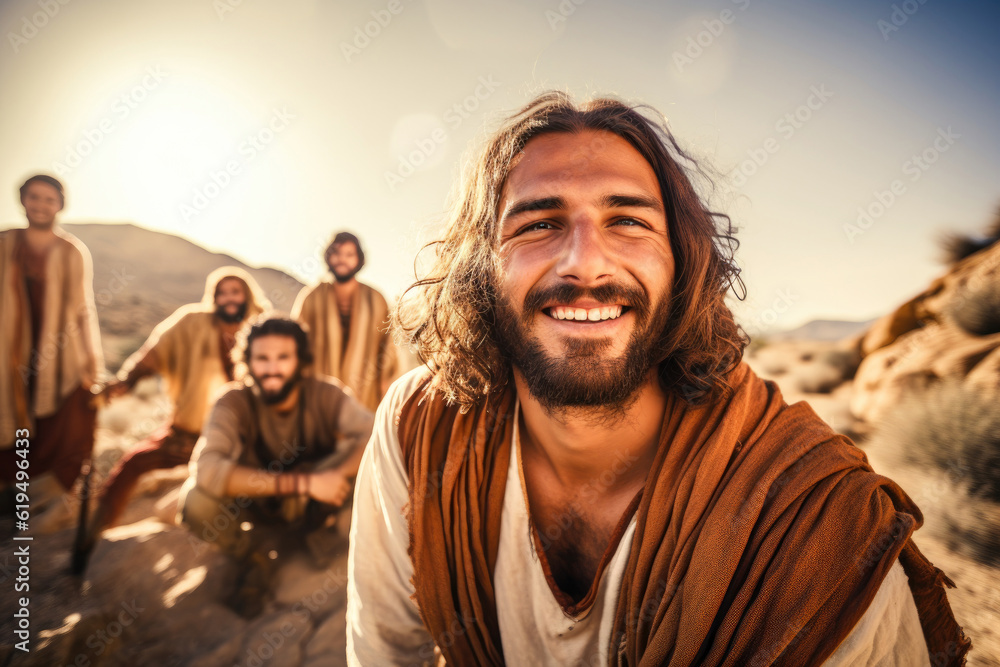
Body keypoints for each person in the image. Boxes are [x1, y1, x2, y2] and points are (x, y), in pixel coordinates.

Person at [346, 93, 970, 666]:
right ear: (479, 267)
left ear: (684, 260)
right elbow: (385, 649)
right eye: (538, 223)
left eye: (628, 221)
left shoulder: (813, 527)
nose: (585, 261)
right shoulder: (421, 426)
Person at [178, 316, 373, 611]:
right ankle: (253, 553)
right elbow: (206, 470)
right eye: (262, 358)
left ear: (301, 360)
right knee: (195, 501)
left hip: (315, 504)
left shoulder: (326, 393)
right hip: (257, 505)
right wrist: (302, 483)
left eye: (283, 358)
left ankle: (320, 538)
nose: (272, 369)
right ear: (247, 360)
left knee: (370, 469)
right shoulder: (233, 401)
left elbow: (374, 435)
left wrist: (333, 475)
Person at [89, 267, 270, 537]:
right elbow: (153, 352)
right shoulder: (191, 322)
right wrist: (126, 381)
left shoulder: (263, 329)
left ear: (247, 296)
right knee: (133, 463)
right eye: (222, 293)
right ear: (213, 297)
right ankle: (94, 535)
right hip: (185, 432)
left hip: (239, 441)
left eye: (235, 292)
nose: (229, 298)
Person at [0, 175, 103, 527]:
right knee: (11, 416)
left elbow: (82, 307)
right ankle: (8, 494)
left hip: (59, 351)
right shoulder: (4, 243)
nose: (41, 205)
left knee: (69, 412)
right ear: (22, 200)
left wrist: (91, 360)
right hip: (7, 350)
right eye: (34, 197)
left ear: (60, 205)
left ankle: (39, 495)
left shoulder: (72, 250)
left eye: (49, 199)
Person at [291, 232, 398, 411]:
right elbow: (294, 343)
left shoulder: (376, 299)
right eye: (337, 253)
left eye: (349, 255)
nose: (342, 260)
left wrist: (387, 384)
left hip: (365, 394)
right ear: (328, 257)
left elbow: (388, 345)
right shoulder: (311, 298)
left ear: (359, 259)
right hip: (318, 395)